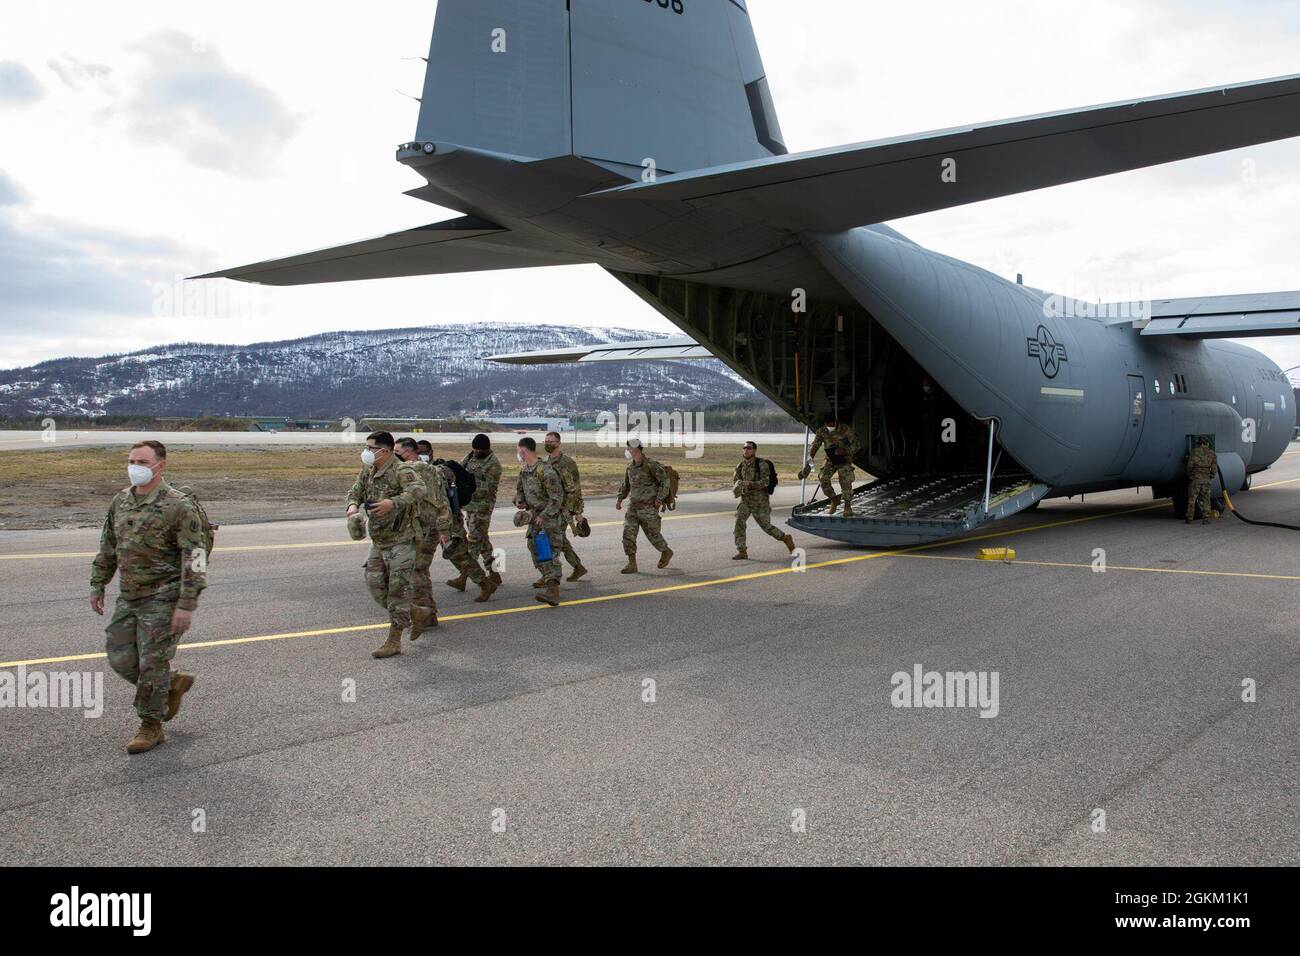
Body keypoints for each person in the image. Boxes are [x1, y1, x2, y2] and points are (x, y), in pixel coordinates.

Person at [90, 440, 206, 754]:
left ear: (161, 465)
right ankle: (172, 684)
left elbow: (195, 557)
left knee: (152, 664)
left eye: (142, 461)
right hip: (129, 596)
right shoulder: (120, 501)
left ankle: (151, 725)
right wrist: (98, 584)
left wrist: (186, 604)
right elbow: (108, 547)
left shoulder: (178, 505)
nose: (135, 467)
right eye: (131, 461)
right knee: (121, 659)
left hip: (164, 597)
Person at [345, 431, 427, 659]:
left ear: (385, 451)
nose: (366, 452)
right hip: (379, 541)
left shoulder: (402, 470)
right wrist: (352, 506)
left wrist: (393, 502)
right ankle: (416, 612)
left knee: (398, 593)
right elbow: (355, 491)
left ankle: (394, 641)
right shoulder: (369, 471)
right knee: (375, 587)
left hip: (401, 540)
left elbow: (419, 490)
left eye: (370, 448)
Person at [395, 438, 451, 639]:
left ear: (409, 452)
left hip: (424, 528)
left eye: (398, 450)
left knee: (416, 570)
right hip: (432, 526)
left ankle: (424, 613)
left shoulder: (414, 469)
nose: (395, 454)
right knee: (421, 570)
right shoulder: (430, 468)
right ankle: (429, 613)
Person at [514, 437, 565, 606]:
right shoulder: (525, 471)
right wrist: (519, 501)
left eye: (518, 450)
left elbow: (557, 498)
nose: (518, 454)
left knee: (547, 553)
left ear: (523, 450)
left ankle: (553, 591)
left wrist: (543, 515)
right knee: (534, 548)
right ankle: (548, 579)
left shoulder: (546, 471)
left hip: (547, 519)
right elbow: (519, 493)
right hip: (533, 518)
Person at [616, 438, 673, 573]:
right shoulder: (630, 467)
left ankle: (666, 551)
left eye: (629, 448)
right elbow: (626, 485)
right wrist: (620, 499)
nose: (628, 451)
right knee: (628, 535)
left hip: (648, 508)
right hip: (633, 508)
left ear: (636, 449)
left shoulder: (651, 465)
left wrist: (659, 500)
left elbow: (665, 482)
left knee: (653, 535)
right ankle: (632, 564)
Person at [732, 441, 796, 559]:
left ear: (755, 450)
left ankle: (785, 538)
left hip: (760, 501)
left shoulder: (761, 464)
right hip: (745, 500)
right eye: (744, 448)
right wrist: (737, 487)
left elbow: (766, 482)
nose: (746, 450)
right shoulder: (740, 465)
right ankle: (742, 551)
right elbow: (736, 481)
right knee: (739, 522)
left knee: (766, 527)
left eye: (749, 448)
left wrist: (751, 484)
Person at [459, 433, 503, 587]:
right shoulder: (471, 456)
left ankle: (464, 576)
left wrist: (469, 484)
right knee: (482, 540)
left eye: (479, 450)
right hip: (470, 505)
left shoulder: (494, 465)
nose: (476, 452)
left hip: (483, 507)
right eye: (474, 449)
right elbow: (460, 469)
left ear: (486, 449)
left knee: (474, 541)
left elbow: (489, 488)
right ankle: (494, 573)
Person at [544, 431, 588, 581]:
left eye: (551, 442)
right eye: (546, 441)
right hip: (549, 509)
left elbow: (576, 489)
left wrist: (578, 512)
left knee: (554, 541)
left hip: (564, 509)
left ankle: (550, 577)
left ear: (558, 443)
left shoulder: (568, 463)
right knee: (560, 540)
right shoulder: (544, 463)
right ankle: (578, 567)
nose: (548, 444)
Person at [801, 411, 861, 516]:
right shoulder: (822, 431)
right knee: (823, 478)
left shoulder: (845, 429)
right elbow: (815, 445)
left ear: (835, 421)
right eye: (827, 424)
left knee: (845, 479)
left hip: (844, 458)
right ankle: (834, 499)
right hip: (830, 459)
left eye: (832, 424)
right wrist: (810, 459)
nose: (830, 426)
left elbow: (857, 445)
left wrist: (845, 450)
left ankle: (847, 506)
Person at [1185, 436, 1218, 525]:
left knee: (1192, 499)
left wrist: (1190, 475)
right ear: (1207, 443)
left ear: (1199, 443)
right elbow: (1214, 469)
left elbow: (1189, 466)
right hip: (1206, 479)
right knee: (1206, 499)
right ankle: (1206, 519)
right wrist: (1210, 476)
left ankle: (1189, 518)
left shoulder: (1194, 452)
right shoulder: (1212, 453)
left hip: (1195, 479)